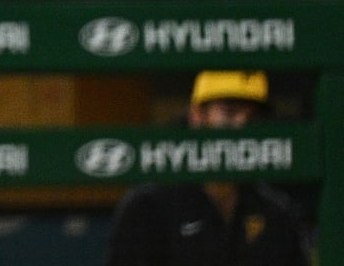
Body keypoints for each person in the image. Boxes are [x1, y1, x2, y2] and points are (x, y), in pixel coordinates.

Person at [103, 70, 309, 266]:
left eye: (253, 118)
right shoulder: (150, 206)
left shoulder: (275, 210)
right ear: (197, 116)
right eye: (230, 112)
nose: (242, 126)